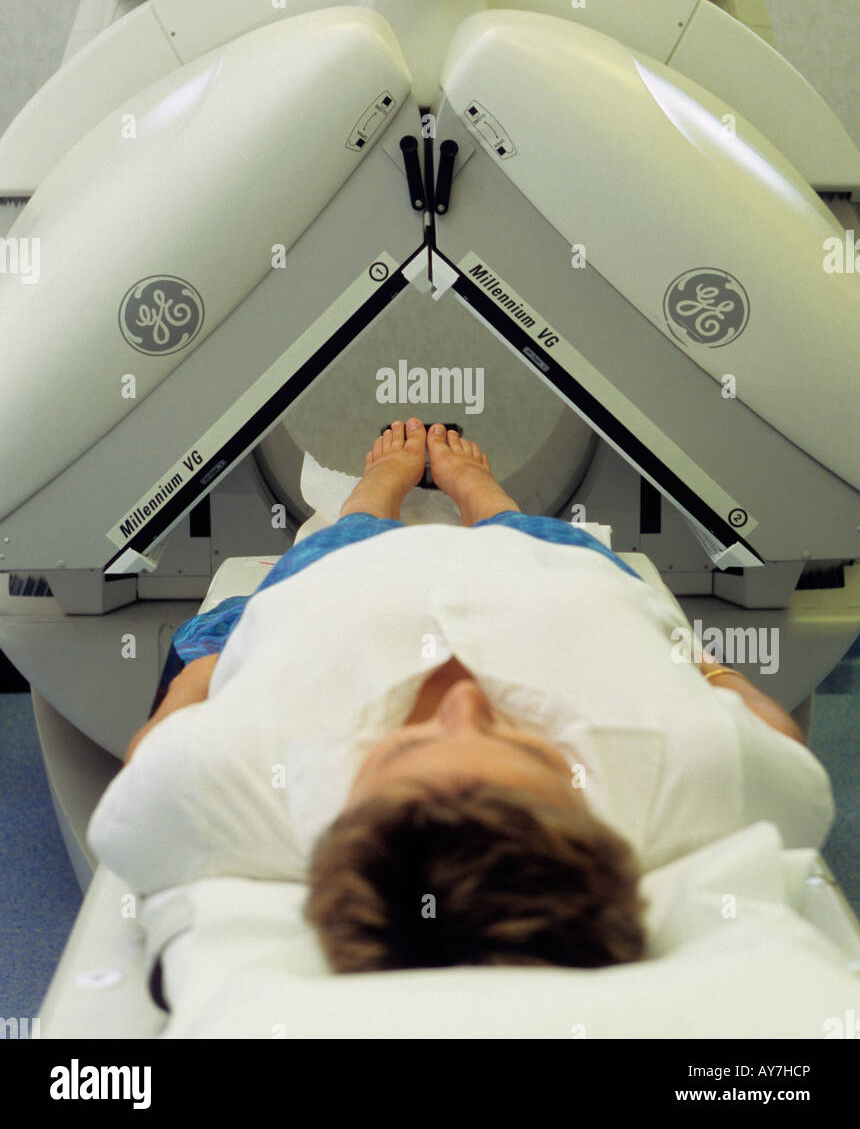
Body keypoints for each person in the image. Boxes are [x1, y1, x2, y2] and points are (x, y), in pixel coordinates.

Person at [89, 419, 834, 977]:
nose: (463, 706)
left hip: (339, 596)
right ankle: (479, 492)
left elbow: (152, 753)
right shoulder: (687, 782)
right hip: (548, 585)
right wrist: (699, 661)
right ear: (605, 828)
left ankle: (380, 484)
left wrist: (213, 664)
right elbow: (779, 740)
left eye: (408, 744)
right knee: (531, 534)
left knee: (339, 538)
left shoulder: (244, 793)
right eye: (523, 745)